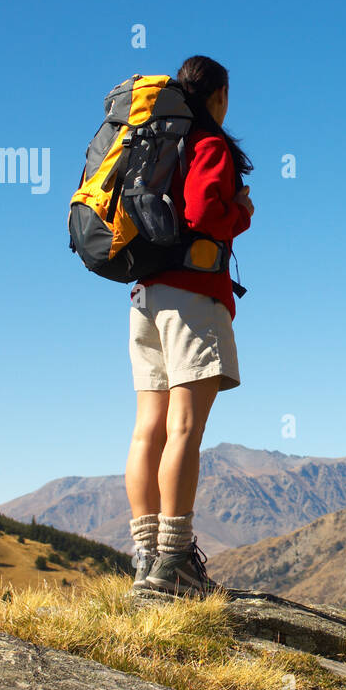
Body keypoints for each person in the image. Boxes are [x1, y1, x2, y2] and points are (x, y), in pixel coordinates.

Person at [124, 55, 254, 598]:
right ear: (219, 94)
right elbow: (204, 212)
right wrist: (242, 211)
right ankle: (175, 561)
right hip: (193, 298)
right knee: (184, 430)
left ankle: (146, 558)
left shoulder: (152, 147)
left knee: (147, 429)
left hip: (146, 299)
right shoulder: (208, 145)